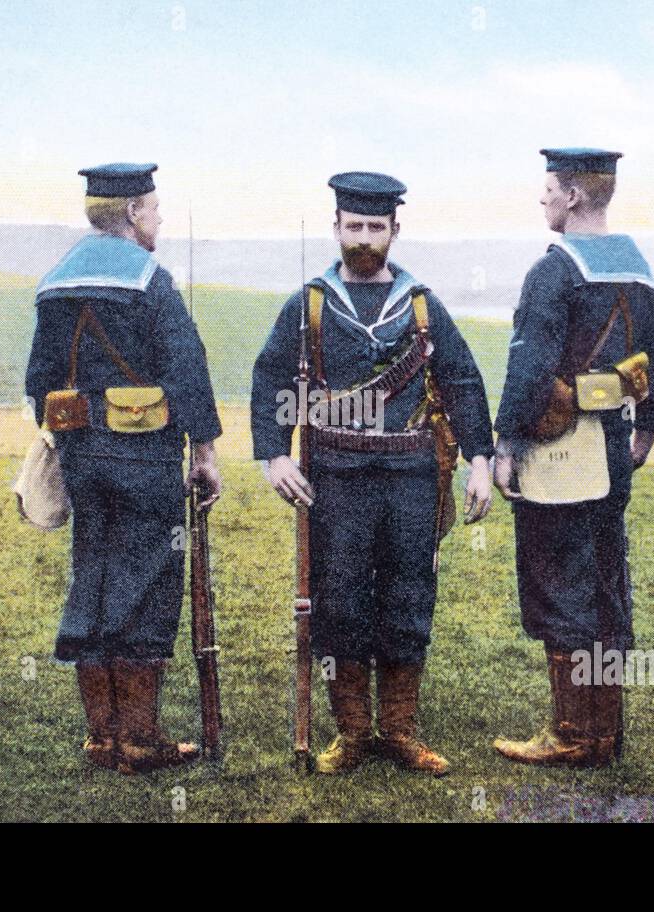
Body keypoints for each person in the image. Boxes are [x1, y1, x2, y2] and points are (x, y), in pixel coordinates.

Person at [251, 172, 494, 777]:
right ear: (336, 227)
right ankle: (353, 734)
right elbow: (270, 378)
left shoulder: (419, 306)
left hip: (411, 473)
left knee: (410, 596)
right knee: (339, 601)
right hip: (335, 476)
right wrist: (274, 455)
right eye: (353, 226)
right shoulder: (309, 302)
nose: (363, 238)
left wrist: (481, 460)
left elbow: (462, 380)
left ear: (394, 231)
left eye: (375, 228)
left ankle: (401, 732)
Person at [24, 163, 222, 774]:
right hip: (144, 455)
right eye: (155, 208)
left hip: (83, 454)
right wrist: (207, 451)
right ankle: (139, 741)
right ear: (134, 212)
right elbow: (186, 366)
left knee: (95, 578)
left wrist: (70, 441)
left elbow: (39, 379)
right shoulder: (149, 280)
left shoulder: (55, 282)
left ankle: (99, 739)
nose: (158, 218)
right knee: (150, 583)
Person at [492, 148, 654, 768]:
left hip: (557, 452)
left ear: (572, 196)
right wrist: (645, 431)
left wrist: (506, 444)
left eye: (547, 188)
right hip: (614, 451)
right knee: (605, 587)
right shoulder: (643, 272)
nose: (541, 199)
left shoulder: (554, 272)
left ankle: (572, 736)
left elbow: (530, 369)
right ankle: (604, 736)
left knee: (558, 587)